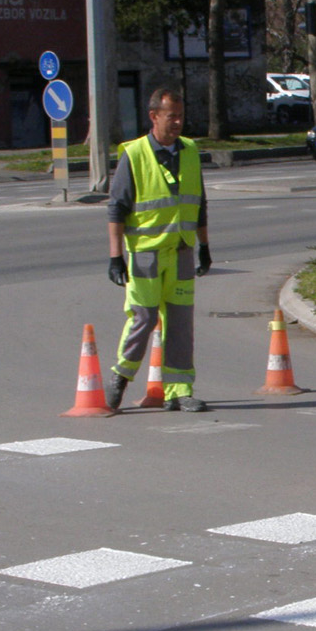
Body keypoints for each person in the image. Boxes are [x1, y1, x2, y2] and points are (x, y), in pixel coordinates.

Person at [105, 88, 212, 411]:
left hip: (181, 251)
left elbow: (200, 204)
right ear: (154, 117)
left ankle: (179, 390)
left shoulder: (190, 151)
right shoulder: (134, 154)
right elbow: (116, 208)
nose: (178, 122)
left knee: (180, 323)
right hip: (146, 255)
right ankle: (119, 378)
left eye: (181, 115)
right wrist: (115, 256)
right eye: (171, 116)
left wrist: (204, 246)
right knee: (143, 318)